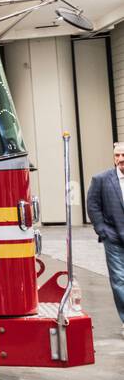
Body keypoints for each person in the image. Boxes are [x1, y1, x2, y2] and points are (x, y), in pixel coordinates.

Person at [86, 142, 124, 335]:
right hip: (114, 238)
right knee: (119, 280)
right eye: (117, 155)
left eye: (123, 155)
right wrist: (102, 231)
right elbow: (92, 206)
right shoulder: (101, 179)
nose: (120, 159)